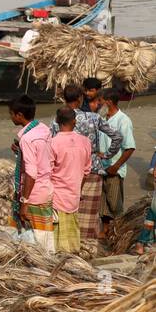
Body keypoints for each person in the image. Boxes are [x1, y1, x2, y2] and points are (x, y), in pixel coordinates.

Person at [50, 84, 119, 243]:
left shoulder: (57, 121)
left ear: (64, 99)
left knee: (65, 213)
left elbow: (49, 147)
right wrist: (105, 155)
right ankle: (86, 248)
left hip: (65, 173)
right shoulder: (94, 118)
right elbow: (117, 137)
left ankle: (66, 245)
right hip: (92, 169)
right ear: (80, 98)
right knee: (89, 216)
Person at [9, 95, 53, 245]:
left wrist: (24, 202)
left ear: (19, 115)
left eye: (11, 113)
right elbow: (42, 157)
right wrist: (19, 151)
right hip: (45, 189)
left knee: (33, 242)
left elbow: (31, 173)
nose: (10, 116)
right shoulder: (43, 129)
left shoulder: (27, 139)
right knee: (45, 237)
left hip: (33, 194)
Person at [49, 108, 91, 255]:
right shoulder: (85, 142)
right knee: (72, 230)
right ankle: (72, 256)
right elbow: (86, 172)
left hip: (56, 197)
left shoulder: (52, 143)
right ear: (75, 121)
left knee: (56, 237)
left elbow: (48, 172)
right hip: (73, 195)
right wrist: (79, 190)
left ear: (56, 121)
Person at [97, 87, 136, 234]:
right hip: (101, 168)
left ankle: (120, 234)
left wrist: (116, 166)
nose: (98, 104)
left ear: (109, 102)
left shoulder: (123, 120)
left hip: (114, 169)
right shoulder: (102, 119)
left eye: (100, 101)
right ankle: (105, 232)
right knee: (103, 205)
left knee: (115, 205)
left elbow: (130, 147)